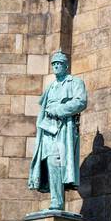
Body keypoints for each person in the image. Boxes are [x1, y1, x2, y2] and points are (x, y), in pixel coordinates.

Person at [28, 51, 87, 211]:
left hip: (64, 128)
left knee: (57, 161)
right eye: (53, 64)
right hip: (48, 129)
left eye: (59, 63)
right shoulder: (50, 87)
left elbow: (81, 102)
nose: (56, 66)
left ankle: (58, 202)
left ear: (66, 66)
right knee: (49, 161)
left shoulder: (74, 82)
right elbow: (43, 107)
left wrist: (59, 109)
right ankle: (56, 200)